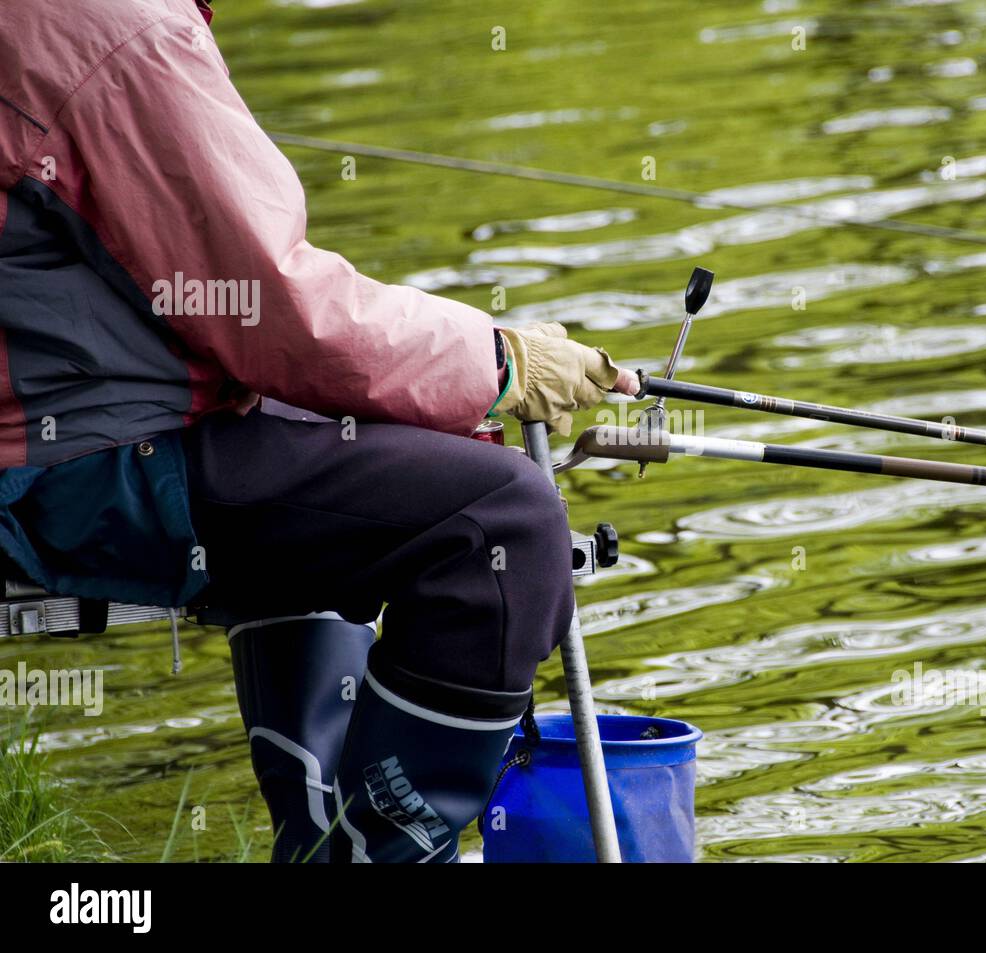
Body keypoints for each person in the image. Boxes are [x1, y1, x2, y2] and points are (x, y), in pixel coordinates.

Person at [0, 0, 636, 862]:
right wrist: (500, 363)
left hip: (62, 438)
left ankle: (319, 841)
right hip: (63, 471)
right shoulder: (120, 29)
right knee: (504, 521)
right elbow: (281, 315)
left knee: (367, 451)